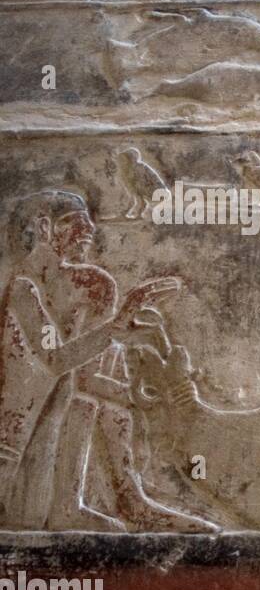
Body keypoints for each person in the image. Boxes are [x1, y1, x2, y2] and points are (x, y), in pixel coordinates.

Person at [0, 189, 213, 531]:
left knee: (91, 393)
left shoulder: (74, 285)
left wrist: (135, 339)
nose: (89, 231)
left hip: (46, 436)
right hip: (14, 463)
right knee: (85, 390)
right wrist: (117, 326)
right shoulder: (25, 287)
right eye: (77, 223)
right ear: (44, 228)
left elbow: (82, 370)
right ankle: (110, 501)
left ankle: (118, 497)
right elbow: (55, 360)